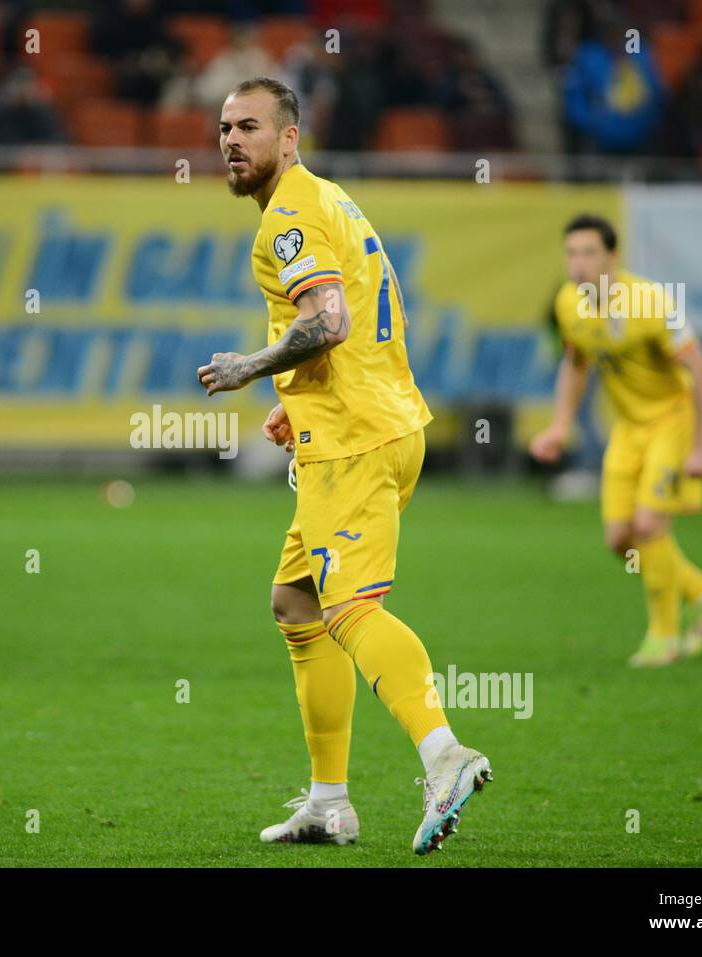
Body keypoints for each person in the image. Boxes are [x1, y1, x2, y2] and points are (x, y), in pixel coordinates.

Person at [198, 77, 491, 856]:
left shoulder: (289, 215)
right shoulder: (330, 199)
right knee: (297, 603)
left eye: (250, 127)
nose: (231, 140)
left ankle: (445, 754)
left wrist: (251, 367)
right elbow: (359, 319)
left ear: (290, 137)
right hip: (370, 426)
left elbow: (328, 319)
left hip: (357, 444)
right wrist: (298, 401)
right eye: (224, 128)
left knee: (352, 609)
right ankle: (329, 804)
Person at [530, 214, 702, 667]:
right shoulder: (568, 303)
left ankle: (665, 637)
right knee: (620, 539)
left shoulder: (650, 302)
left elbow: (701, 371)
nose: (578, 263)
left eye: (588, 253)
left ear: (612, 257)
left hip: (672, 422)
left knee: (648, 527)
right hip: (629, 427)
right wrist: (560, 425)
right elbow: (576, 363)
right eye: (571, 253)